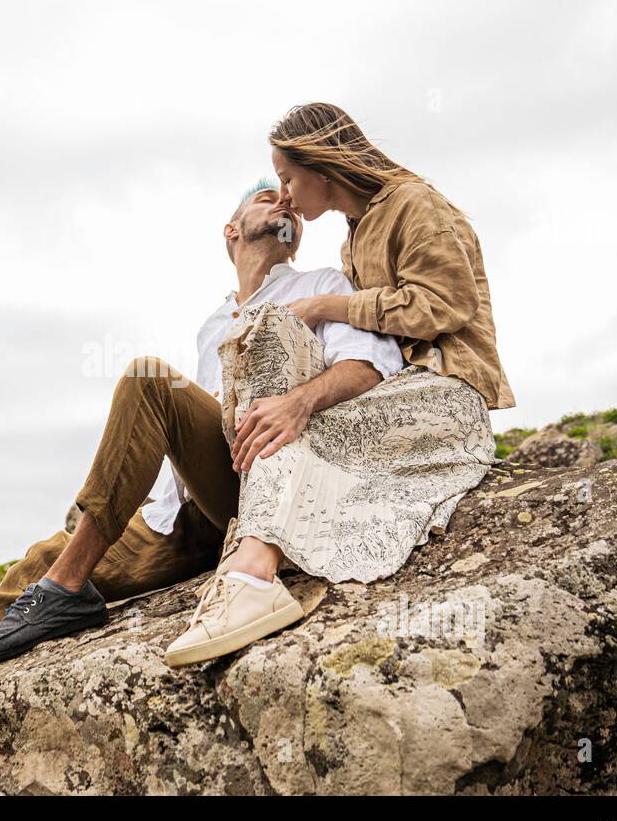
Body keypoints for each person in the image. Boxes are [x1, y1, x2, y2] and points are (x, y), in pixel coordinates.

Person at [0, 179, 403, 729]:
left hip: (263, 499)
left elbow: (370, 367)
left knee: (148, 380)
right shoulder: (214, 322)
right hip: (187, 514)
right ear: (231, 231)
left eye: (291, 200)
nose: (284, 202)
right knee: (40, 556)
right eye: (265, 196)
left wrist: (298, 403)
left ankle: (65, 591)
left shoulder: (318, 282)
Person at [220, 101, 515, 590]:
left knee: (295, 429)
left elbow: (446, 305)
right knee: (280, 415)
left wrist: (323, 307)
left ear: (323, 164)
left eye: (288, 179)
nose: (287, 197)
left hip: (447, 391)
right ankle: (254, 566)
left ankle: (250, 577)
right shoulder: (352, 241)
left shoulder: (413, 202)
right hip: (396, 396)